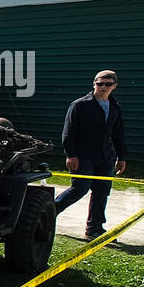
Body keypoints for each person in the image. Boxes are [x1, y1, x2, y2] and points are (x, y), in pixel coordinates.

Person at [54, 70, 127, 239]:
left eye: (107, 84)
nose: (102, 87)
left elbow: (118, 134)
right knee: (79, 188)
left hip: (106, 156)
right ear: (94, 84)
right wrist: (70, 155)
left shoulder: (115, 107)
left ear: (114, 86)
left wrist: (121, 157)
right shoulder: (80, 105)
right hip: (83, 155)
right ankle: (48, 211)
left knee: (102, 192)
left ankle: (94, 229)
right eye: (99, 83)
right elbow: (68, 132)